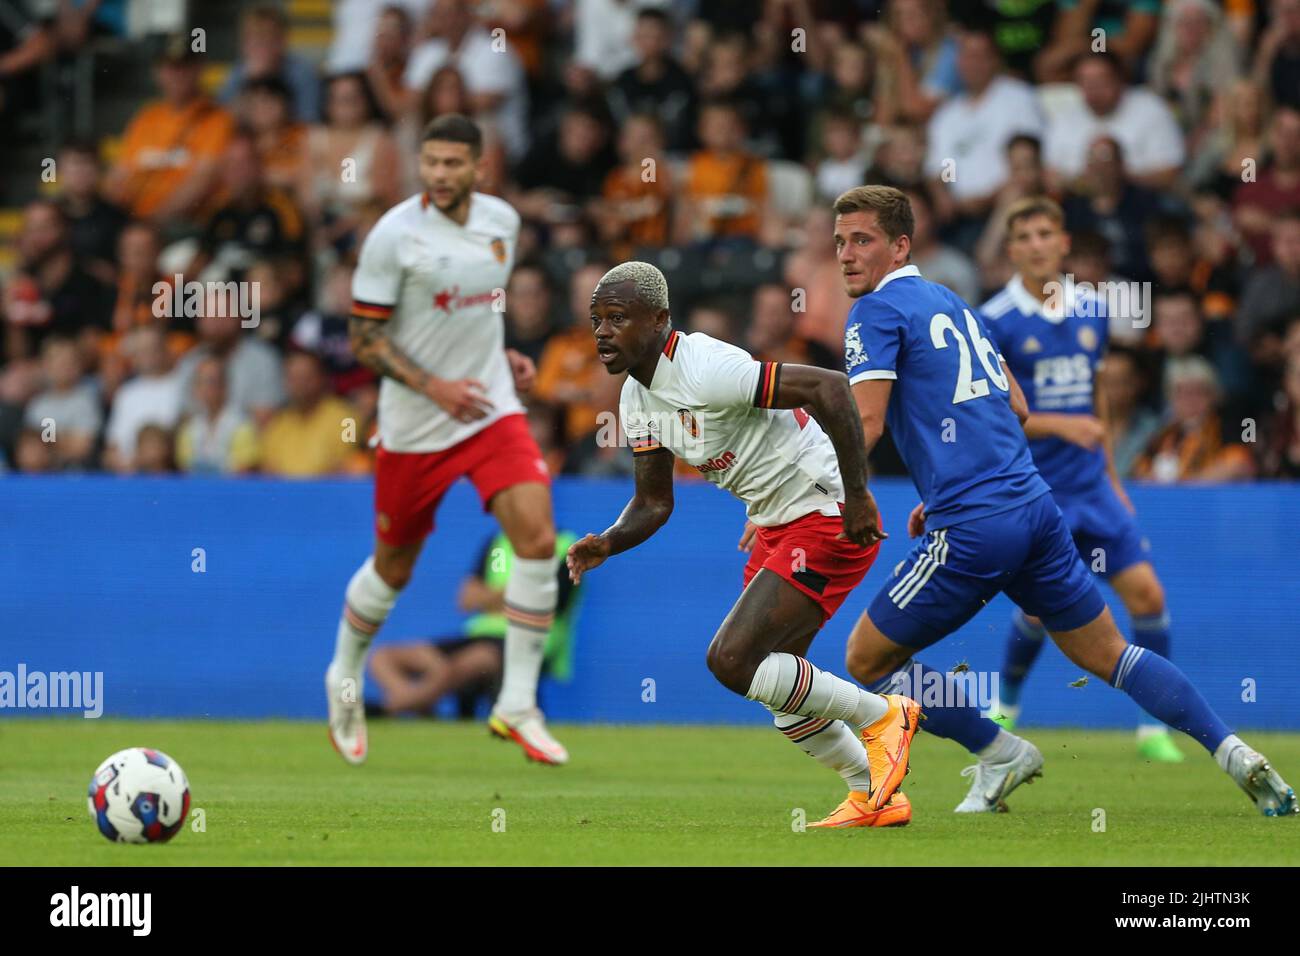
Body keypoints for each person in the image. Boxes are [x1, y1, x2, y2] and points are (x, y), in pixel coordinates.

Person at [836, 185, 1295, 818]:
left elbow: (867, 422)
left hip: (976, 523)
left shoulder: (875, 313)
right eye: (839, 242)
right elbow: (1016, 406)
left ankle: (998, 749)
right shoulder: (956, 304)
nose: (846, 255)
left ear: (900, 246)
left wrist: (817, 492)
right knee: (1109, 653)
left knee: (866, 658)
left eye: (862, 240)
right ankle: (1232, 750)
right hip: (1035, 505)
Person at [566, 261, 919, 829]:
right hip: (777, 522)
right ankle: (873, 793)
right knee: (780, 683)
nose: (602, 332)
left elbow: (828, 388)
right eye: (596, 320)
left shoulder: (707, 367)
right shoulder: (637, 398)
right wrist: (607, 542)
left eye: (617, 318)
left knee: (732, 661)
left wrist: (857, 494)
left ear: (658, 320)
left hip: (822, 510)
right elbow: (654, 503)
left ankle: (885, 716)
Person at [326, 114, 566, 767]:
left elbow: (476, 309)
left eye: (452, 164)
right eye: (430, 162)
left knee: (538, 539)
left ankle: (518, 704)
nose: (438, 175)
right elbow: (364, 340)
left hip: (486, 409)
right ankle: (343, 676)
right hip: (415, 425)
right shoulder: (392, 236)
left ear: (479, 168)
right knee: (393, 567)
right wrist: (436, 388)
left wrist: (502, 352)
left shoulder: (502, 224)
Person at [979, 197, 1185, 763]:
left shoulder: (1093, 309)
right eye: (1025, 236)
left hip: (1094, 487)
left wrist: (1113, 476)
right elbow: (995, 410)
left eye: (1047, 233)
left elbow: (1096, 397)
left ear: (1064, 243)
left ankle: (1152, 727)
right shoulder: (994, 320)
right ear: (1013, 249)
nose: (1038, 244)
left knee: (1148, 594)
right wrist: (1062, 426)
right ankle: (1006, 709)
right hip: (1037, 489)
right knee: (1040, 612)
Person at [369, 527, 582, 716]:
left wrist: (490, 597)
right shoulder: (498, 544)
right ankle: (412, 703)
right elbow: (467, 599)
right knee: (383, 657)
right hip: (478, 635)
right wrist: (516, 592)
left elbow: (545, 602)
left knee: (472, 662)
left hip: (528, 640)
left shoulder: (564, 546)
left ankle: (389, 709)